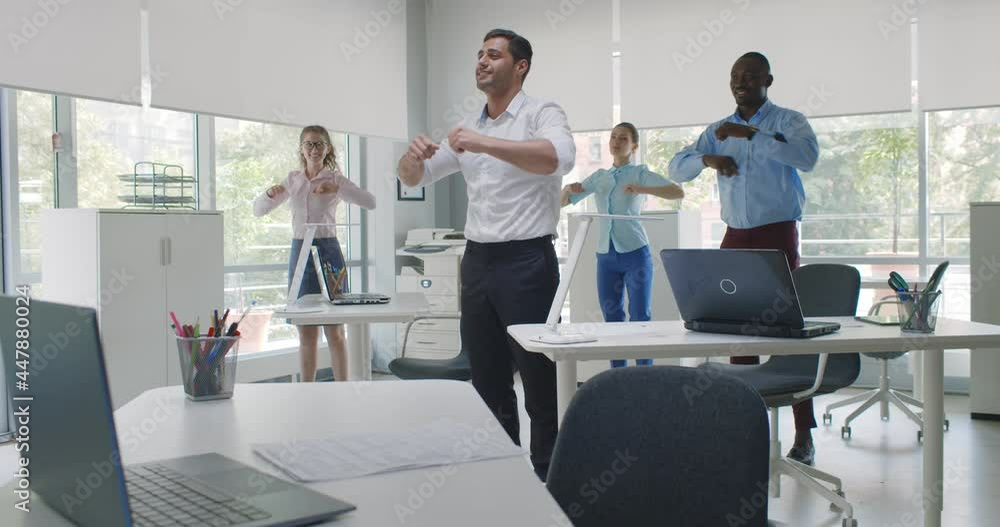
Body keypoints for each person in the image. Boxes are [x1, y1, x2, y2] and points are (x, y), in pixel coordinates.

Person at [397, 29, 575, 480]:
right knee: (488, 382)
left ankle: (549, 481)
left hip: (528, 263)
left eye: (493, 55)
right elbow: (414, 178)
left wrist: (483, 143)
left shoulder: (542, 113)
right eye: (479, 54)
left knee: (539, 382)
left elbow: (555, 158)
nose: (482, 61)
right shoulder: (466, 123)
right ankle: (502, 477)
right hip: (477, 263)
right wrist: (412, 158)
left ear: (520, 66)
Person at [668, 52, 820, 465]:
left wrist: (752, 136)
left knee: (786, 327)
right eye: (735, 75)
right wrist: (707, 158)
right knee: (737, 327)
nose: (741, 81)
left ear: (768, 79)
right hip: (736, 235)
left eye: (750, 75)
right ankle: (742, 429)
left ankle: (803, 433)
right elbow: (675, 169)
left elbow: (806, 158)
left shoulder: (788, 121)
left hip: (777, 233)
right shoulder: (718, 130)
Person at [254, 125, 376, 382]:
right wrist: (268, 194)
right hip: (300, 252)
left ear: (327, 148)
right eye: (309, 144)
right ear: (301, 149)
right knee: (306, 332)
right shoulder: (293, 180)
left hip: (328, 250)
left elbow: (370, 202)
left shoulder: (335, 179)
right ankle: (305, 392)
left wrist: (337, 190)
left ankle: (342, 390)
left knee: (335, 331)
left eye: (319, 144)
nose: (314, 149)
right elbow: (258, 211)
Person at [561, 122, 684, 368]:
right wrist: (567, 188)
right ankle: (617, 375)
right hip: (605, 256)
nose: (616, 142)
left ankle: (644, 375)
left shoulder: (638, 172)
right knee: (612, 318)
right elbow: (565, 201)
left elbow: (676, 192)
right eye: (613, 137)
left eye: (623, 138)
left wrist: (641, 188)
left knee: (640, 317)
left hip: (636, 254)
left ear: (634, 146)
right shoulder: (599, 177)